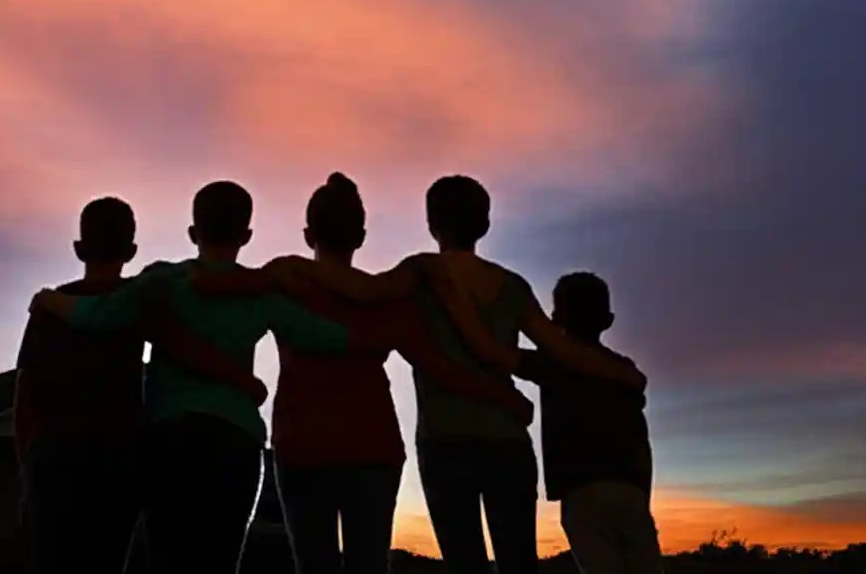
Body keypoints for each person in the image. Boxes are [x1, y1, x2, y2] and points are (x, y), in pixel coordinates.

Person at [267, 175, 645, 574]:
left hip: (445, 440)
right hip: (507, 440)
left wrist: (291, 269)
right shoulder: (512, 286)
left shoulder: (418, 274)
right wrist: (621, 373)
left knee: (463, 563)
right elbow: (563, 350)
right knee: (519, 564)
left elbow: (367, 292)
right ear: (484, 225)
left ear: (431, 224)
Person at [190, 173, 534, 574]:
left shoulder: (285, 281)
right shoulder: (387, 300)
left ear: (308, 234)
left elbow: (227, 298)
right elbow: (441, 369)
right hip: (373, 448)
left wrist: (197, 280)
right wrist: (504, 397)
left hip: (303, 444)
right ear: (361, 237)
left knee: (313, 565)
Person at [30, 181, 363, 574]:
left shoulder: (162, 281)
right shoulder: (262, 294)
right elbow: (321, 336)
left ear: (193, 232)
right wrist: (377, 329)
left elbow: (100, 317)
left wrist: (50, 299)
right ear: (246, 235)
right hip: (235, 440)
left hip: (170, 442)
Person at [15, 196, 266, 574]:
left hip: (52, 457)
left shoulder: (51, 310)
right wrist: (243, 382)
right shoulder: (139, 300)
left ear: (79, 247)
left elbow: (25, 394)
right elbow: (183, 347)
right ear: (132, 250)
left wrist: (27, 465)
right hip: (115, 462)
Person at [515, 273, 662, 574]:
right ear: (608, 319)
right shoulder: (624, 371)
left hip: (581, 492)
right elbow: (641, 441)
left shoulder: (552, 363)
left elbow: (502, 357)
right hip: (630, 491)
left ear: (556, 318)